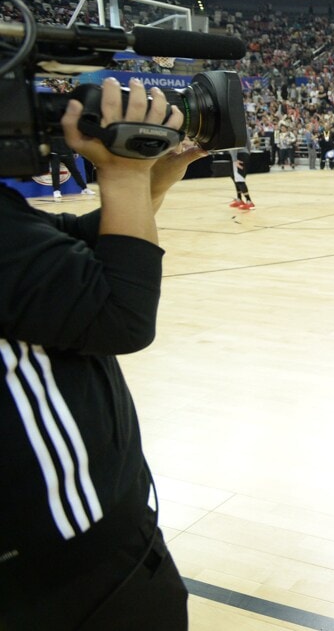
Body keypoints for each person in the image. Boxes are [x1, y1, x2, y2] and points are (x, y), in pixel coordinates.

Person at [1, 77, 207, 629]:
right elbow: (122, 315)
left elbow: (68, 240)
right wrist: (123, 172)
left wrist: (147, 184)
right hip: (73, 570)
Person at [48, 136, 94, 201]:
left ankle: (84, 188)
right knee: (55, 171)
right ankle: (56, 191)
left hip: (68, 153)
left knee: (75, 171)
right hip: (55, 153)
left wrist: (75, 151)